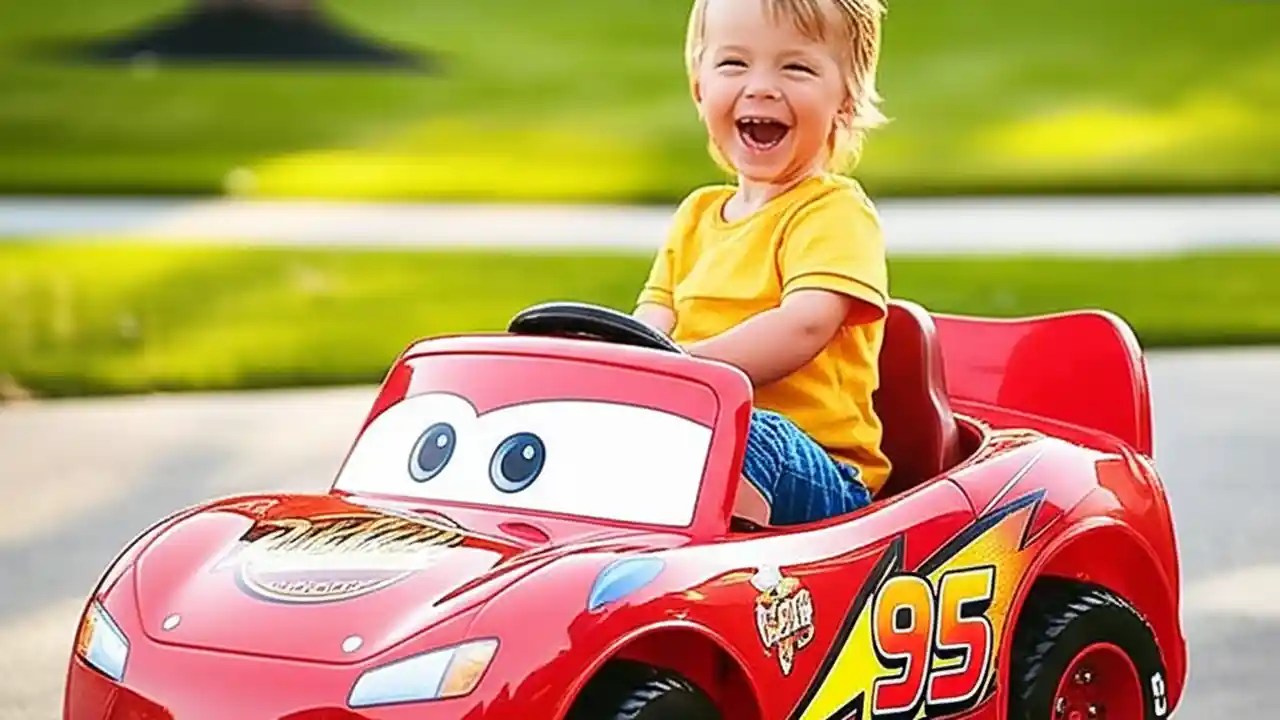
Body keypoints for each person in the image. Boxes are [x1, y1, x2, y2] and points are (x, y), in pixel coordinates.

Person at [634, 0, 891, 526]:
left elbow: (805, 323)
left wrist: (687, 370)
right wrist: (624, 368)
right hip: (700, 426)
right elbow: (650, 325)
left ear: (845, 98)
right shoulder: (695, 216)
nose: (762, 86)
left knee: (750, 436)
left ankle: (719, 576)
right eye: (733, 64)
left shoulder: (833, 211)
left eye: (795, 67)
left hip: (820, 468)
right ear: (699, 86)